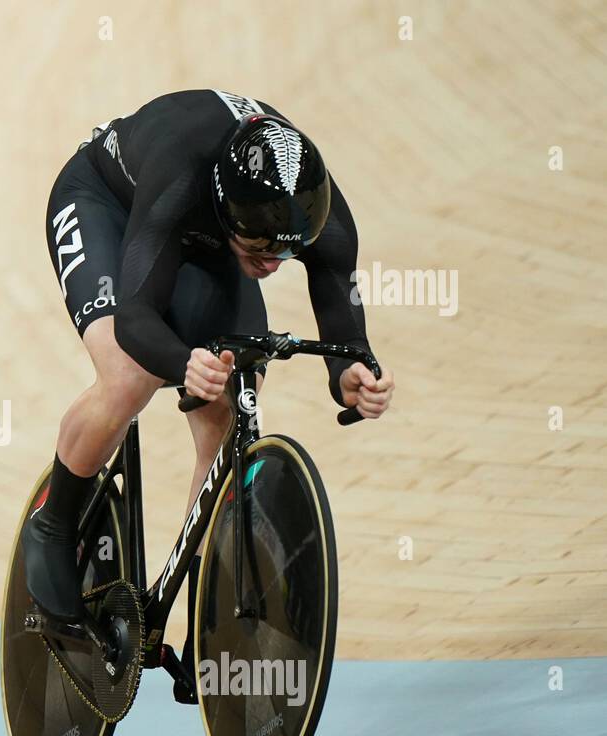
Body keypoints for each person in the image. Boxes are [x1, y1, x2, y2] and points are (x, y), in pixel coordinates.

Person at [21, 89, 395, 658]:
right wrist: (179, 361)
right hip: (107, 201)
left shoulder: (309, 208)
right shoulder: (181, 172)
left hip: (203, 233)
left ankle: (199, 597)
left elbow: (335, 292)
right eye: (261, 249)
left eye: (283, 254)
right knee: (129, 376)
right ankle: (53, 526)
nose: (270, 264)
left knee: (228, 406)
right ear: (229, 209)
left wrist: (347, 368)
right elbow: (136, 321)